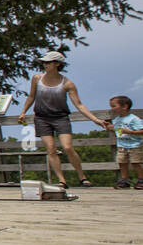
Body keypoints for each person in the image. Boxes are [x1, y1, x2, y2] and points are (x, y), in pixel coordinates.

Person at [16, 50, 109, 188]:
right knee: (51, 149)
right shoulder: (37, 78)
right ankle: (62, 180)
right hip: (42, 118)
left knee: (67, 147)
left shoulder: (67, 83)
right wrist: (23, 112)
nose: (45, 64)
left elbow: (79, 104)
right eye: (44, 62)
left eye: (48, 62)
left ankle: (82, 177)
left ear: (57, 64)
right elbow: (31, 96)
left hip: (60, 117)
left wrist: (95, 120)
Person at [105, 95, 143, 189]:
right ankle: (124, 181)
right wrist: (111, 127)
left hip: (135, 145)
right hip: (121, 145)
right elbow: (119, 131)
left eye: (114, 106)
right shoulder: (116, 119)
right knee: (122, 163)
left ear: (125, 106)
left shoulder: (134, 119)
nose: (112, 109)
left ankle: (141, 181)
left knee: (136, 163)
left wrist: (130, 132)